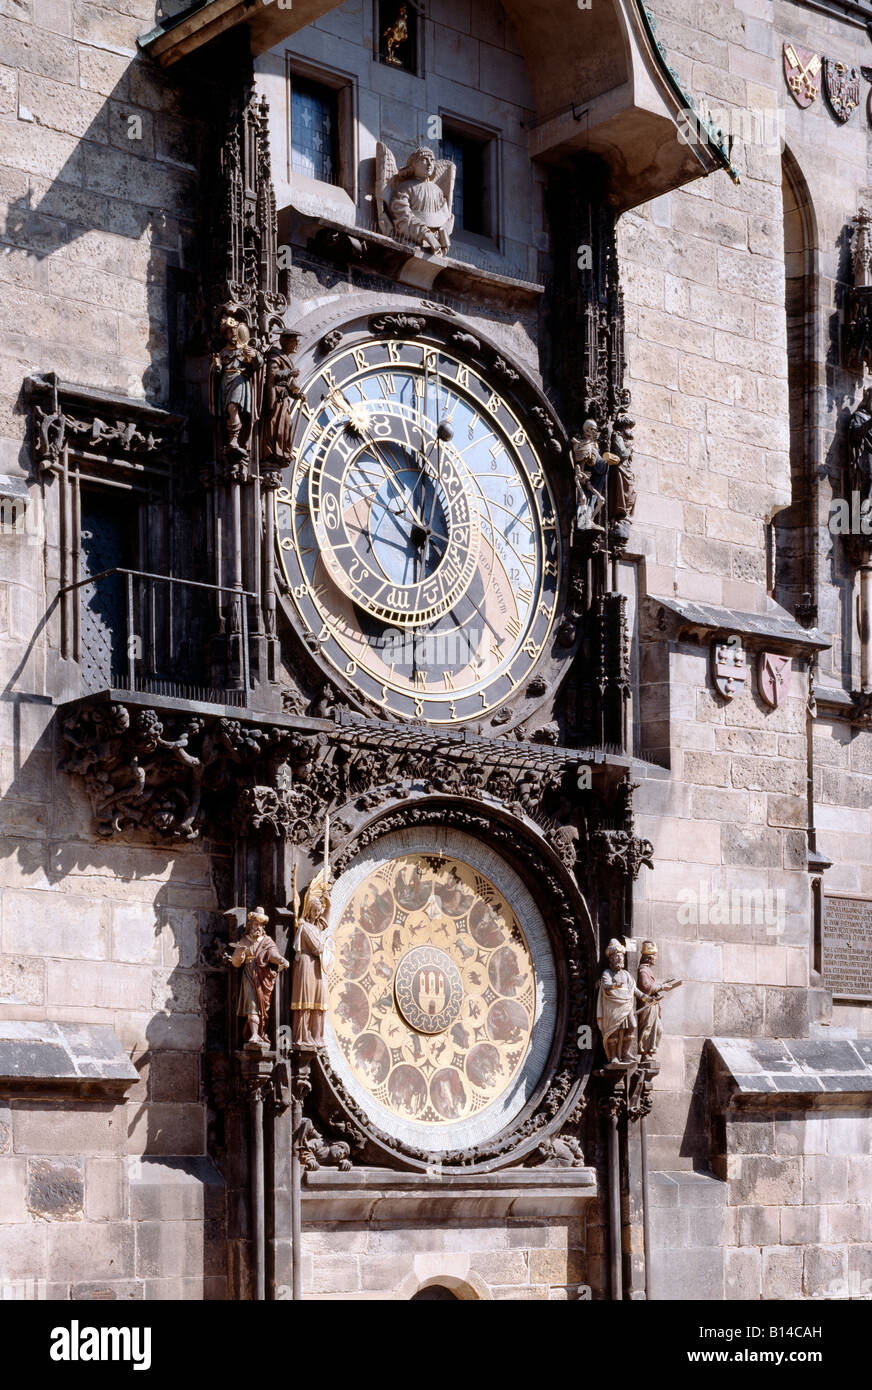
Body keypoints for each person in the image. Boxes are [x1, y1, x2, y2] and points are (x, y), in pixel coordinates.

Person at [227, 907, 288, 1049]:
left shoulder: (267, 941)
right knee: (252, 1005)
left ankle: (260, 1033)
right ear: (250, 925)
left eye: (261, 925)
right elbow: (236, 963)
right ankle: (254, 1034)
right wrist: (240, 955)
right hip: (249, 974)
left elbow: (272, 954)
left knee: (262, 1007)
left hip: (263, 977)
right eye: (256, 924)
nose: (258, 928)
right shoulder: (244, 940)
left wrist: (281, 960)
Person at [290, 870, 333, 1047]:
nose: (317, 913)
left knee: (319, 1001)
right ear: (308, 910)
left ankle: (317, 1035)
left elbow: (325, 921)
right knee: (305, 1000)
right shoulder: (306, 927)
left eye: (318, 910)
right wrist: (327, 949)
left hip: (316, 966)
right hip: (307, 964)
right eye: (314, 910)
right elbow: (316, 948)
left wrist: (328, 904)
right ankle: (302, 1035)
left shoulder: (316, 926)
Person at [596, 938, 641, 1064]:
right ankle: (613, 1056)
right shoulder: (607, 973)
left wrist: (645, 997)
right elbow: (605, 985)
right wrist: (615, 985)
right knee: (614, 1031)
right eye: (617, 956)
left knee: (633, 1025)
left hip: (626, 1005)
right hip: (614, 1007)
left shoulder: (626, 974)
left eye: (621, 956)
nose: (620, 959)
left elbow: (634, 989)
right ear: (611, 959)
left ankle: (626, 1053)